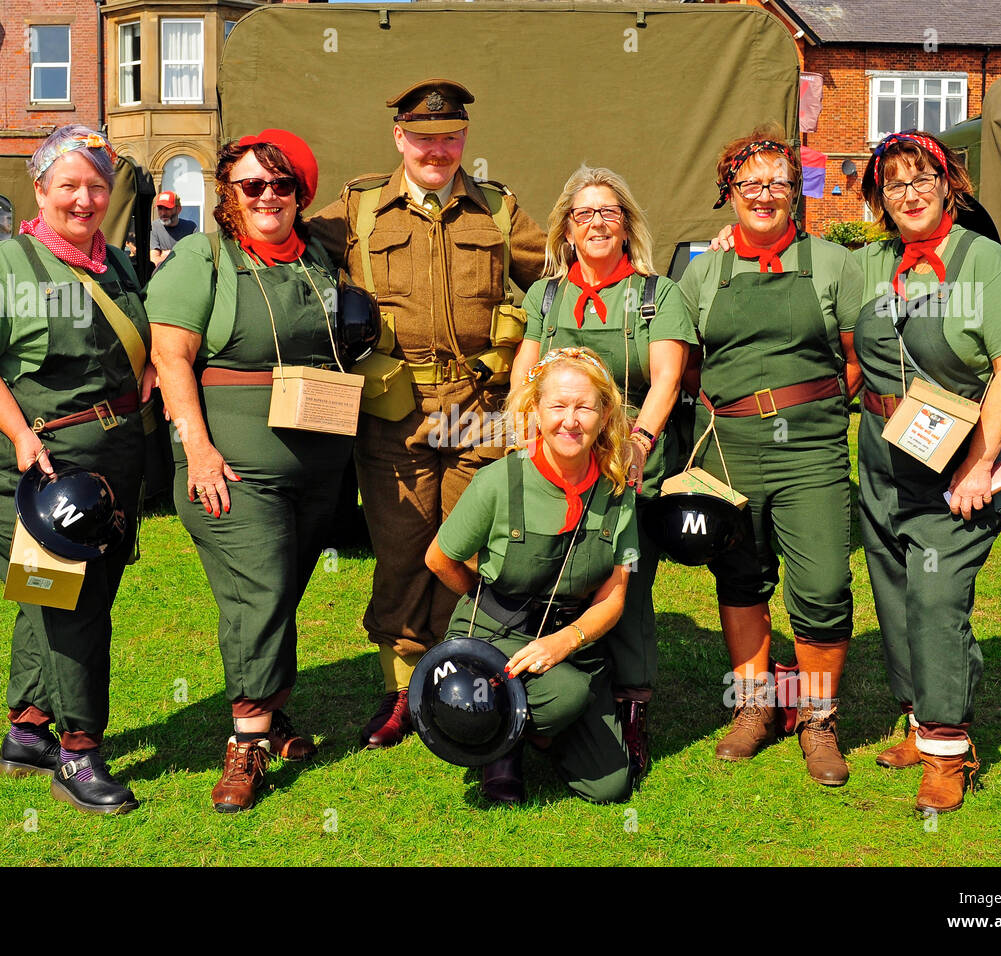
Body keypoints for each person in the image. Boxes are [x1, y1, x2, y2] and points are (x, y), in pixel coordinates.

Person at [309, 79, 546, 749]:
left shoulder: (497, 212)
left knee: (467, 548)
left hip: (481, 408)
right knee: (402, 551)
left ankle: (460, 673)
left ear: (464, 139)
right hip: (394, 412)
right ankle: (399, 690)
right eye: (423, 137)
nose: (436, 149)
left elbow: (559, 275)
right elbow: (285, 253)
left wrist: (532, 351)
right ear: (399, 139)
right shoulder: (357, 212)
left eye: (448, 138)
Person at [0, 125, 156, 815]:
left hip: (105, 463)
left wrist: (146, 364)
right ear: (39, 189)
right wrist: (16, 433)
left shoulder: (118, 266)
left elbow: (130, 337)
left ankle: (27, 732)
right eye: (68, 185)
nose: (84, 198)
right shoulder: (5, 265)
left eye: (96, 185)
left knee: (55, 595)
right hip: (22, 470)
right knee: (68, 605)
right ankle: (78, 752)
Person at [147, 129, 349, 813]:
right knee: (259, 592)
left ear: (300, 193)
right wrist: (198, 450)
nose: (266, 196)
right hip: (232, 468)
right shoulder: (201, 258)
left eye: (280, 184)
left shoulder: (318, 259)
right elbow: (171, 359)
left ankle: (272, 710)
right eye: (250, 185)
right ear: (228, 196)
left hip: (319, 461)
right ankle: (246, 743)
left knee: (279, 595)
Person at [854, 130, 1001, 812]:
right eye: (893, 184)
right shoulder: (871, 263)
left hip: (956, 459)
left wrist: (980, 464)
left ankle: (946, 749)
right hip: (881, 451)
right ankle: (917, 719)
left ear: (947, 186)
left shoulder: (981, 261)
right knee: (896, 594)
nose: (907, 195)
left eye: (919, 180)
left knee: (936, 600)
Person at [679, 127, 864, 786]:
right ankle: (756, 708)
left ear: (796, 191)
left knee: (823, 585)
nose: (765, 194)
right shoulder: (705, 270)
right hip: (729, 450)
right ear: (729, 192)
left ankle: (816, 719)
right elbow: (688, 363)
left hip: (810, 449)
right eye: (750, 183)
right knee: (741, 579)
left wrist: (803, 409)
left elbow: (855, 359)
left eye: (778, 182)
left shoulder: (836, 265)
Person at [510, 166, 694, 781]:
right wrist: (521, 438)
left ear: (627, 224)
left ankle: (632, 707)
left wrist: (640, 440)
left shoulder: (655, 294)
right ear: (565, 227)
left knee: (626, 583)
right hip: (557, 457)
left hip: (627, 460)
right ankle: (556, 695)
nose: (596, 222)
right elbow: (524, 376)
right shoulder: (547, 296)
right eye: (584, 213)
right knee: (553, 573)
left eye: (608, 212)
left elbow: (666, 378)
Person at [426, 347, 636, 804]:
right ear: (536, 411)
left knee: (610, 787)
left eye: (584, 406)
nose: (570, 420)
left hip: (570, 637)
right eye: (558, 406)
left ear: (605, 415)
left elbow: (616, 593)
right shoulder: (498, 481)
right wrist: (481, 598)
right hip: (494, 630)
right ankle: (500, 742)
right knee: (561, 695)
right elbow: (439, 558)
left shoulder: (619, 492)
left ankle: (535, 730)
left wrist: (565, 641)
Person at [150, 191, 197, 268]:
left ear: (179, 209)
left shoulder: (191, 228)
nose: (163, 213)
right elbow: (154, 261)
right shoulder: (154, 227)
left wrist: (168, 254)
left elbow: (194, 259)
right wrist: (182, 254)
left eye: (167, 208)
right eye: (160, 208)